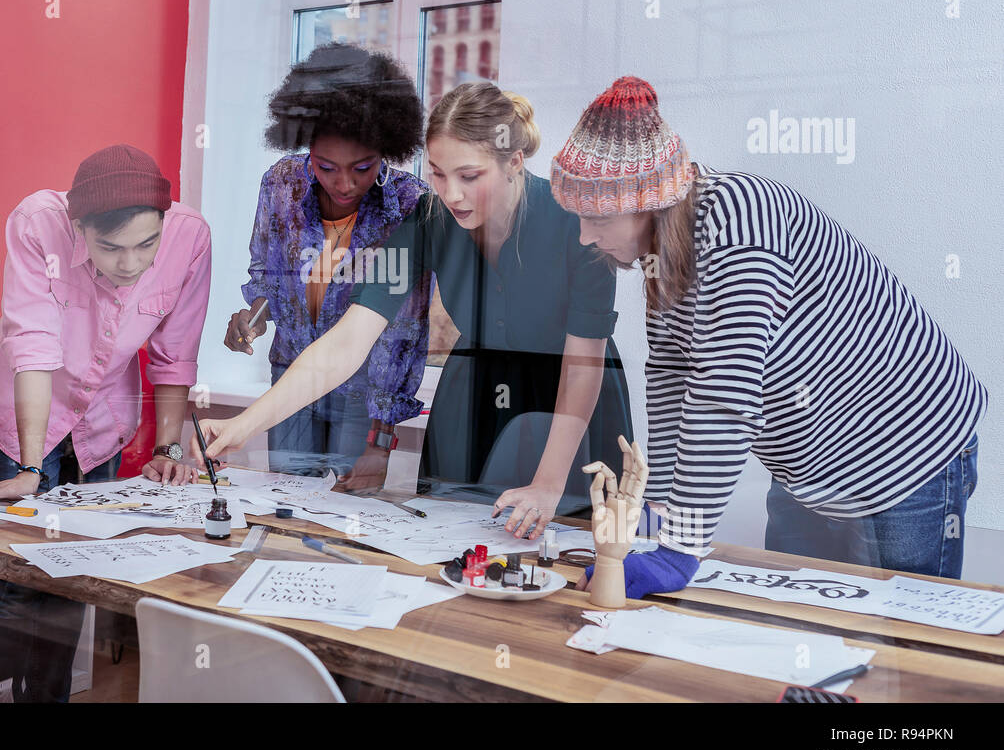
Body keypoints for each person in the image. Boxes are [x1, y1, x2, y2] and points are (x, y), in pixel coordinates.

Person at [557, 77, 987, 600]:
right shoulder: (663, 253)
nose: (584, 235)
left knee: (906, 643)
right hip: (807, 472)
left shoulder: (741, 218)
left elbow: (723, 395)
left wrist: (680, 548)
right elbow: (671, 373)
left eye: (597, 216)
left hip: (907, 452)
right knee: (792, 629)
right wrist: (663, 503)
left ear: (650, 200)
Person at [200, 82, 634, 540]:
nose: (453, 195)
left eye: (470, 176)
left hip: (572, 391)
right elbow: (348, 341)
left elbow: (584, 362)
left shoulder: (579, 223)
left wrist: (548, 485)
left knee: (574, 549)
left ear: (514, 161)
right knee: (456, 541)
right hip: (479, 392)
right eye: (439, 175)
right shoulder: (427, 222)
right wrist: (243, 425)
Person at [0, 143, 210, 700]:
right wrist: (30, 466)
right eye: (110, 248)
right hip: (25, 410)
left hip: (102, 418)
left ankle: (49, 696)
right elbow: (31, 345)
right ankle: (14, 695)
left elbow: (176, 354)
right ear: (80, 228)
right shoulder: (37, 223)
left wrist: (169, 452)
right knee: (20, 572)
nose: (130, 264)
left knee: (77, 566)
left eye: (146, 244)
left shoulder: (191, 237)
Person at [225, 43, 432, 492]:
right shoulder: (280, 185)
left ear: (387, 148)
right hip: (290, 373)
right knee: (283, 507)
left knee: (347, 519)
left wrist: (380, 442)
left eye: (362, 167)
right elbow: (268, 275)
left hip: (363, 396)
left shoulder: (409, 205)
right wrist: (253, 318)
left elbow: (404, 333)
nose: (344, 183)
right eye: (326, 166)